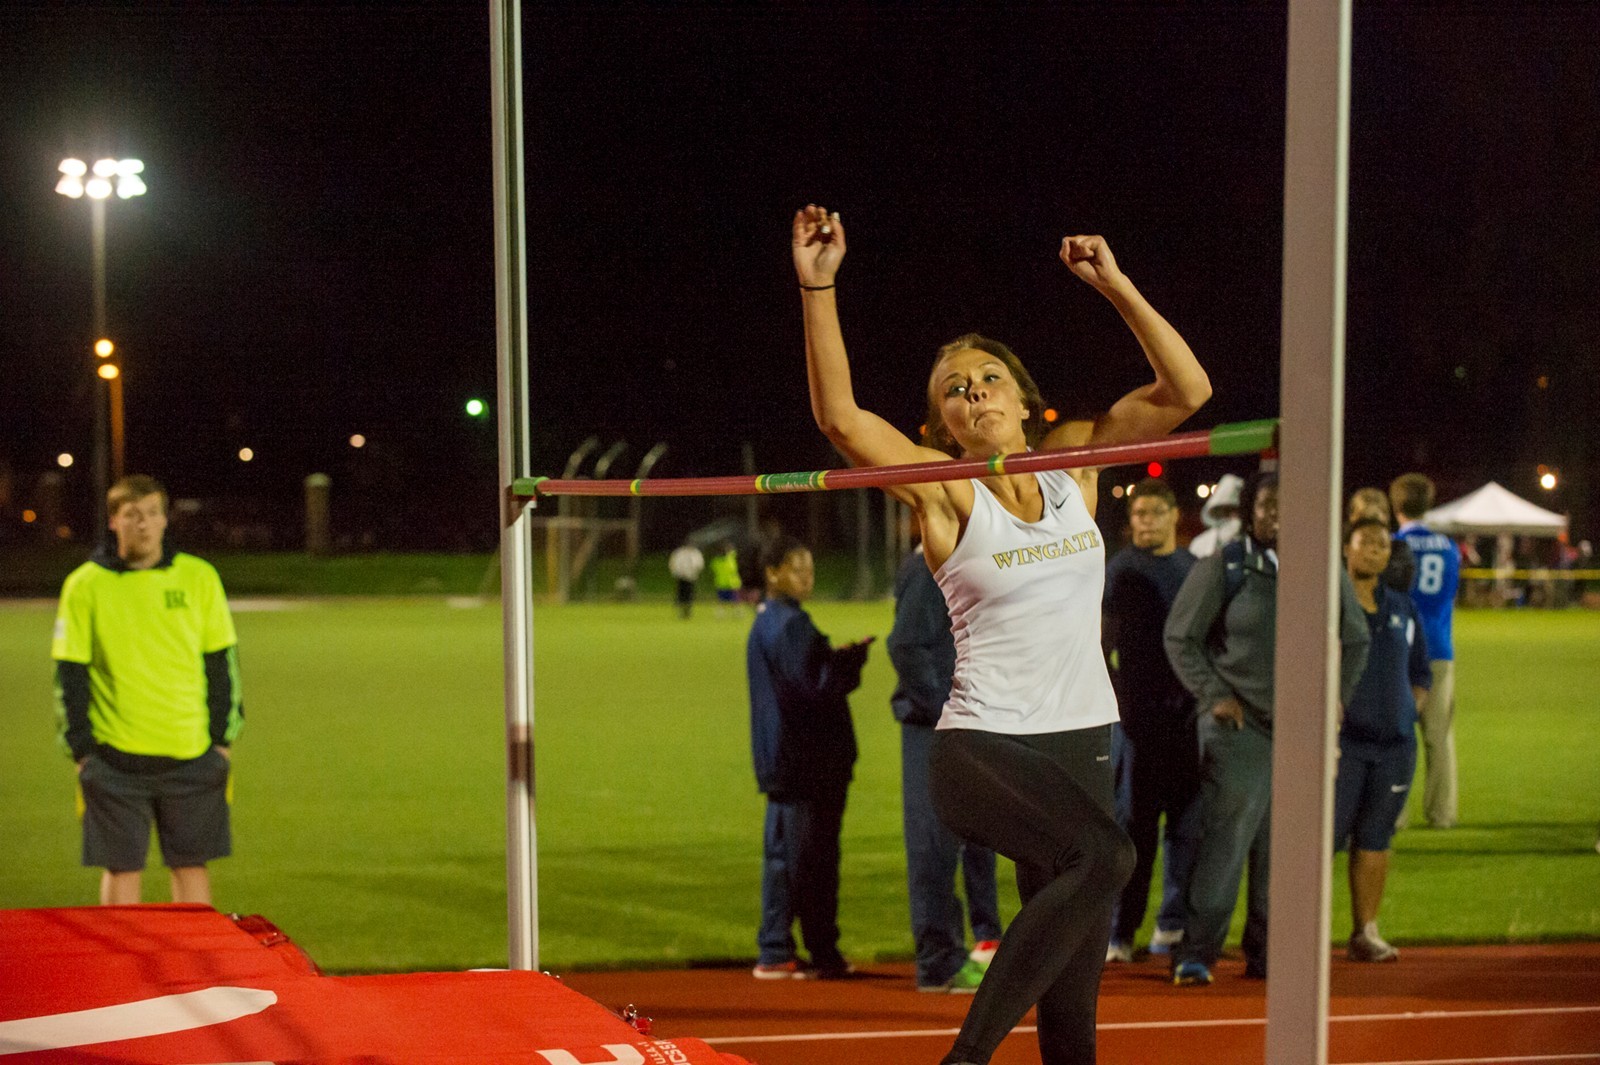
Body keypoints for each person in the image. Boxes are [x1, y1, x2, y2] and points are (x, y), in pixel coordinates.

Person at [791, 203, 1211, 1065]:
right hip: (984, 744)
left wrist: (1116, 285)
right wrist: (818, 286)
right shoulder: (944, 492)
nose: (974, 392)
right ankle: (965, 1059)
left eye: (988, 378)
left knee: (1072, 1013)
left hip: (1083, 737)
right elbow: (840, 418)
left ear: (1024, 400)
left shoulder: (1074, 466)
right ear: (941, 424)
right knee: (1108, 855)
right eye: (955, 388)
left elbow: (1187, 393)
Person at [1163, 471, 1370, 986]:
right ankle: (1197, 953)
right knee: (1226, 842)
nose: (1276, 515)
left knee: (1284, 849)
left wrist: (1336, 698)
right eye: (1267, 505)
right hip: (1240, 730)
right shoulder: (1227, 564)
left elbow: (1356, 638)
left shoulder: (1322, 566)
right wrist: (1215, 695)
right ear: (1249, 512)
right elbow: (1180, 637)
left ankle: (1270, 954)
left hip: (1301, 733)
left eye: (1286, 504)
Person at [51, 475, 243, 906]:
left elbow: (222, 664)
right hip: (114, 759)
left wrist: (221, 742)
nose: (144, 524)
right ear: (113, 521)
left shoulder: (199, 577)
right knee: (121, 868)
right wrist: (82, 751)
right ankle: (122, 955)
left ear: (164, 519)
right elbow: (69, 673)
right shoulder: (85, 585)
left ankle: (195, 955)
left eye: (153, 513)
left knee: (191, 867)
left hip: (192, 753)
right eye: (133, 515)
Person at [747, 533, 872, 980]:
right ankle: (818, 951)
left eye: (810, 569)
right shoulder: (791, 624)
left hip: (783, 759)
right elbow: (816, 688)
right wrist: (850, 664)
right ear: (772, 573)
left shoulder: (767, 620)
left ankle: (778, 947)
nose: (806, 577)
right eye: (796, 569)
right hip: (809, 761)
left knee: (784, 859)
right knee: (812, 860)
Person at [888, 545, 1002, 993]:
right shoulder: (927, 569)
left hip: (956, 724)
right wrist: (944, 706)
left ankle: (954, 952)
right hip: (934, 727)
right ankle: (938, 964)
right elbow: (905, 645)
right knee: (933, 846)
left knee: (962, 836)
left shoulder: (948, 563)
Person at [1102, 477, 1199, 964]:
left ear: (1174, 516)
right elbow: (1100, 644)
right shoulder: (1120, 571)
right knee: (1134, 827)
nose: (1147, 522)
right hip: (1137, 722)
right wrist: (1119, 700)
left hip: (1186, 719)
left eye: (1156, 513)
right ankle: (1121, 932)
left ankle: (1172, 924)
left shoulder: (1193, 569)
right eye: (1139, 514)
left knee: (1186, 826)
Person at [1338, 517, 1432, 962]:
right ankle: (1301, 934)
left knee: (1376, 838)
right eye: (1366, 542)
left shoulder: (1402, 606)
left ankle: (1366, 932)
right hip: (1343, 746)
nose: (1375, 550)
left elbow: (1421, 672)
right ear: (1346, 548)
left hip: (1394, 747)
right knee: (1324, 839)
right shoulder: (1329, 602)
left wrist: (1407, 711)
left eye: (1382, 544)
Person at [1389, 473, 1462, 828]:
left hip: (1400, 647)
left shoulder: (1393, 545)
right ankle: (1442, 813)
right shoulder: (1449, 547)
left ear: (1396, 505)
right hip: (1438, 648)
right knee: (1439, 737)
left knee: (1395, 732)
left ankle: (1393, 813)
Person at [1348, 486, 1415, 594]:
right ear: (1352, 518)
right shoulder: (1337, 549)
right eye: (1365, 520)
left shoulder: (1399, 550)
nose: (1371, 527)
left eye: (1376, 521)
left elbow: (1399, 586)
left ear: (1387, 519)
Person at [1186, 472, 1243, 559]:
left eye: (1236, 511)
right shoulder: (1200, 544)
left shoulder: (1253, 544)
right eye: (1226, 511)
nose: (1232, 516)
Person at [667, 541, 705, 619]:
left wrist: (695, 572)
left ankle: (687, 610)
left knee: (689, 594)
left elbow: (699, 564)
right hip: (681, 576)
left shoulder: (695, 553)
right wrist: (676, 572)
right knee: (681, 594)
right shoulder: (679, 553)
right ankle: (682, 609)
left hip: (691, 577)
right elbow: (674, 563)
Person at [710, 541, 742, 615]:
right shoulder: (717, 560)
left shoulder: (731, 558)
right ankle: (721, 611)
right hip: (721, 583)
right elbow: (714, 569)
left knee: (735, 598)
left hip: (732, 583)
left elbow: (734, 553)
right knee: (721, 598)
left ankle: (737, 611)